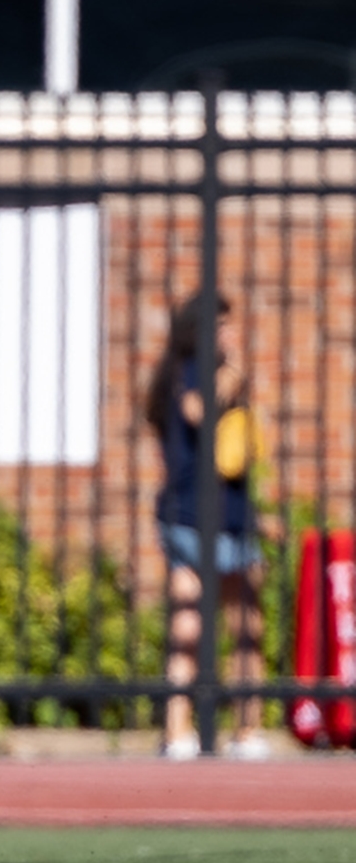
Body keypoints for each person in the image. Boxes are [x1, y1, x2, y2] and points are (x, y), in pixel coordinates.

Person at [144, 294, 273, 760]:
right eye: (219, 325)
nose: (227, 333)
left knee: (188, 622)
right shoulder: (201, 371)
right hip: (210, 517)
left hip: (185, 513)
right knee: (242, 627)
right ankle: (246, 731)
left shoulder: (170, 374)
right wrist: (234, 376)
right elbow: (199, 411)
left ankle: (177, 732)